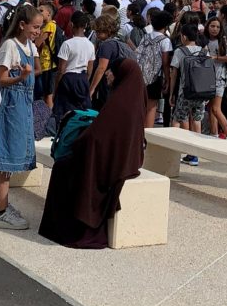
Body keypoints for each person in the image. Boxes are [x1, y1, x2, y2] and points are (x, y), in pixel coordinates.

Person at [38, 58, 148, 249]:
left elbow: (95, 138)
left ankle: (66, 228)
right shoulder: (132, 97)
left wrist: (78, 144)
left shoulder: (120, 102)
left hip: (108, 162)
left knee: (62, 168)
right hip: (122, 158)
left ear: (121, 75)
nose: (107, 74)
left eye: (111, 71)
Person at [0, 2, 43, 230]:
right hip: (10, 106)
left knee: (12, 156)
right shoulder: (10, 45)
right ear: (22, 25)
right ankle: (1, 211)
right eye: (35, 27)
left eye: (39, 27)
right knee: (6, 157)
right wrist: (21, 77)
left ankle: (1, 205)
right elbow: (0, 79)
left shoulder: (29, 45)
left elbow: (36, 69)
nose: (37, 31)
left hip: (23, 106)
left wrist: (28, 71)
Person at [50, 10, 95, 126]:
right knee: (81, 112)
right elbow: (90, 69)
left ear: (71, 24)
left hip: (68, 79)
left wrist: (56, 89)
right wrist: (85, 81)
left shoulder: (67, 44)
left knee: (64, 112)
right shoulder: (90, 45)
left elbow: (61, 69)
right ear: (85, 26)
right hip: (82, 78)